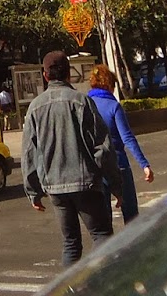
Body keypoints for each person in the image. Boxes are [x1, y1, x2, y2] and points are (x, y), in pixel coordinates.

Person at [23, 50, 117, 266]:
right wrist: (115, 185)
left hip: (55, 187)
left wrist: (33, 191)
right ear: (69, 74)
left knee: (70, 244)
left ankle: (71, 288)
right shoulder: (82, 102)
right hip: (86, 183)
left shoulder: (35, 107)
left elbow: (29, 153)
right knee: (102, 235)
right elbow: (103, 147)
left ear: (45, 76)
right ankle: (102, 284)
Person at [85, 64, 154, 224]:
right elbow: (127, 138)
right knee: (131, 215)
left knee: (103, 220)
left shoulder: (85, 106)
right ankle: (132, 247)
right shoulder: (113, 106)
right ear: (109, 84)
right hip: (119, 166)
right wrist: (144, 164)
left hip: (95, 168)